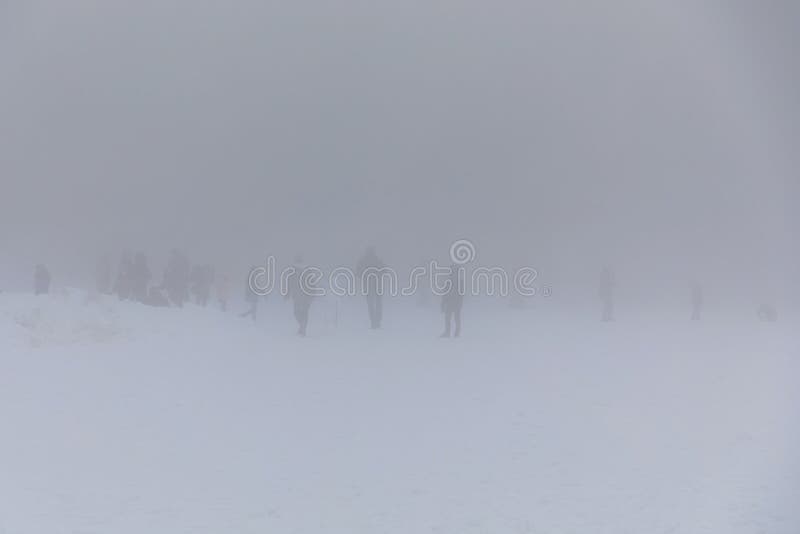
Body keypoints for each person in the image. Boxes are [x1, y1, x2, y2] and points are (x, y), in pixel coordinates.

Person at [356, 245, 385, 329]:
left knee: (370, 304)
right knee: (379, 303)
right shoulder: (378, 260)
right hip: (378, 285)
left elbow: (358, 272)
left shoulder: (363, 261)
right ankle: (378, 321)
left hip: (367, 286)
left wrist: (364, 276)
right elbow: (384, 270)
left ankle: (373, 321)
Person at [287, 254, 314, 336]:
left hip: (298, 295)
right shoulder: (307, 269)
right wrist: (313, 293)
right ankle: (303, 327)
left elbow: (289, 283)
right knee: (304, 312)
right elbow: (312, 282)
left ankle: (302, 327)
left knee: (297, 312)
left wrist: (287, 294)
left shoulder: (293, 270)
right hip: (306, 295)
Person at [440, 263, 464, 338]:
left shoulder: (458, 281)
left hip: (454, 303)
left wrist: (443, 303)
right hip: (452, 302)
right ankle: (452, 333)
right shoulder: (453, 281)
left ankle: (453, 333)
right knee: (451, 318)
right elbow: (445, 293)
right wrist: (443, 303)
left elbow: (461, 294)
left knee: (453, 318)